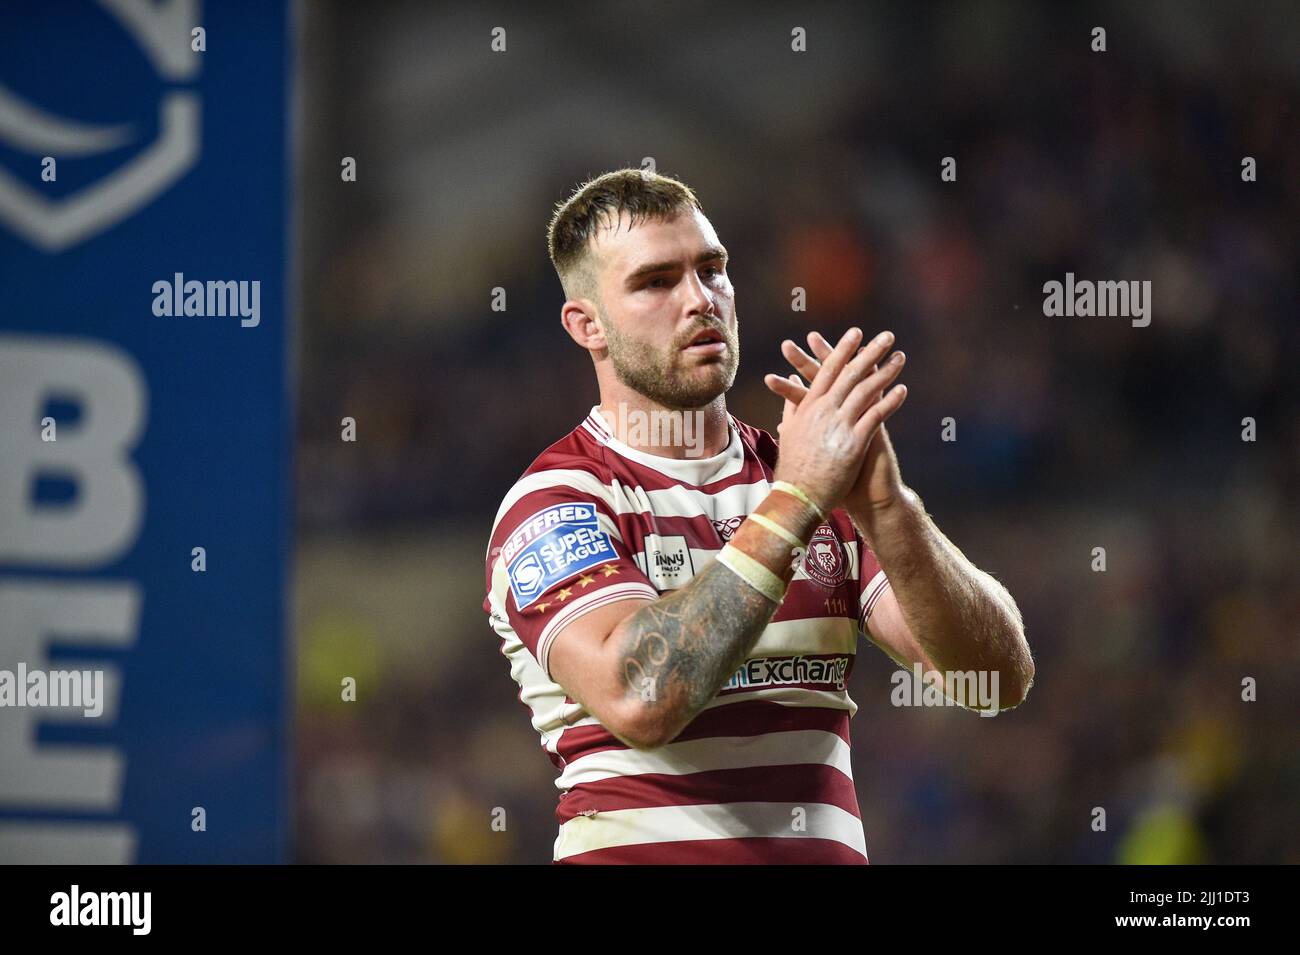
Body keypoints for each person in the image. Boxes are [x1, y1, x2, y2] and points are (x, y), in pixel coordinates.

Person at [483, 168, 1034, 864]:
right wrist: (798, 499)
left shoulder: (810, 478)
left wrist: (892, 512)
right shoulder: (561, 498)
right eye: (656, 281)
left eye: (712, 269)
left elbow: (994, 680)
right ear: (586, 323)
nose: (698, 299)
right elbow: (641, 695)